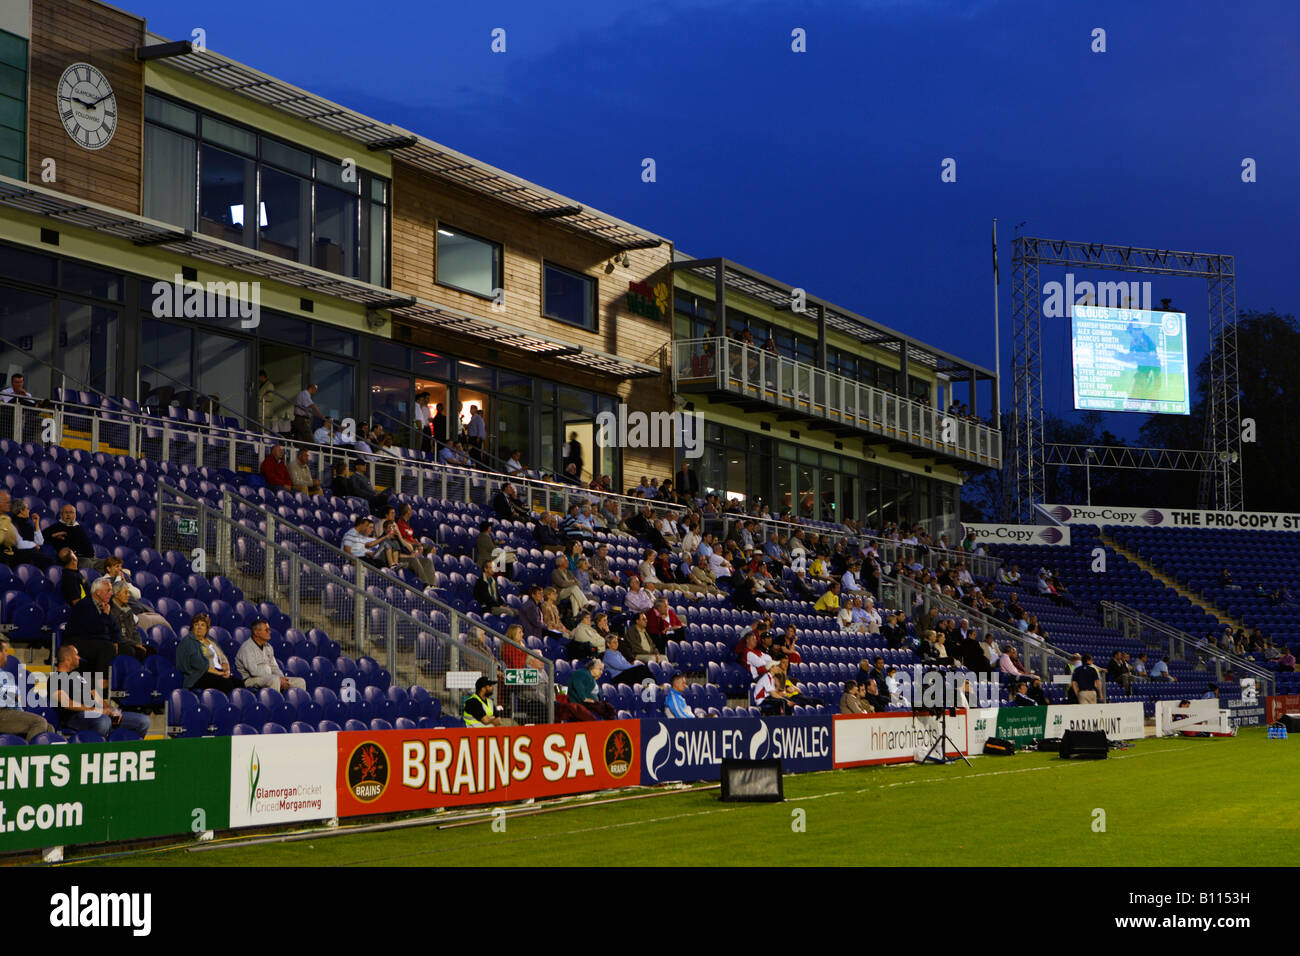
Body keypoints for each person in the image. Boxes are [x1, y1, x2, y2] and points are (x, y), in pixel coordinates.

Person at [52, 645, 151, 738]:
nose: (79, 658)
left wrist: (112, 710)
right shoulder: (55, 678)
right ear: (68, 658)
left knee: (143, 721)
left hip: (99, 714)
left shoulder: (79, 676)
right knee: (103, 722)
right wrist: (96, 711)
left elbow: (96, 696)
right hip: (75, 717)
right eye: (76, 655)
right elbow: (66, 703)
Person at [61, 576, 118, 690]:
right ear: (97, 592)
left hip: (94, 640)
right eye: (108, 590)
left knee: (128, 649)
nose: (111, 593)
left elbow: (115, 629)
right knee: (107, 648)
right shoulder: (84, 605)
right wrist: (105, 616)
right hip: (77, 640)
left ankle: (119, 688)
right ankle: (100, 687)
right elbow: (96, 630)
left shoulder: (105, 606)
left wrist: (116, 641)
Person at [0, 636, 55, 741]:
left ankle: (45, 756)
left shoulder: (4, 674)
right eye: (5, 651)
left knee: (49, 727)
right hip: (2, 712)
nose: (7, 654)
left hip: (9, 711)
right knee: (39, 722)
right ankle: (29, 755)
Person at [235, 618, 307, 692]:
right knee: (275, 680)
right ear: (256, 632)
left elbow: (274, 667)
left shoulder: (268, 647)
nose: (269, 632)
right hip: (250, 679)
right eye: (266, 630)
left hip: (268, 677)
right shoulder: (247, 648)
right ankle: (275, 703)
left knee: (300, 682)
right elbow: (254, 672)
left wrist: (282, 678)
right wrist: (275, 676)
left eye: (269, 629)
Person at [177, 613, 242, 693]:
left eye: (203, 625)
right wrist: (220, 673)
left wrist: (227, 671)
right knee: (226, 683)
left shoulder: (210, 639)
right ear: (192, 627)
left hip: (217, 672)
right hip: (199, 675)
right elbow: (199, 664)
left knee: (239, 683)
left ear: (207, 628)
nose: (199, 627)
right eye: (196, 624)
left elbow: (223, 658)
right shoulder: (188, 641)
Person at [44, 503, 101, 569]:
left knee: (107, 563)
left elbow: (89, 549)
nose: (68, 515)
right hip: (70, 559)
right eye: (66, 512)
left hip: (87, 557)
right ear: (61, 515)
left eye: (71, 512)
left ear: (75, 515)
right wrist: (52, 536)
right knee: (87, 562)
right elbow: (41, 539)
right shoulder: (56, 527)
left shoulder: (79, 528)